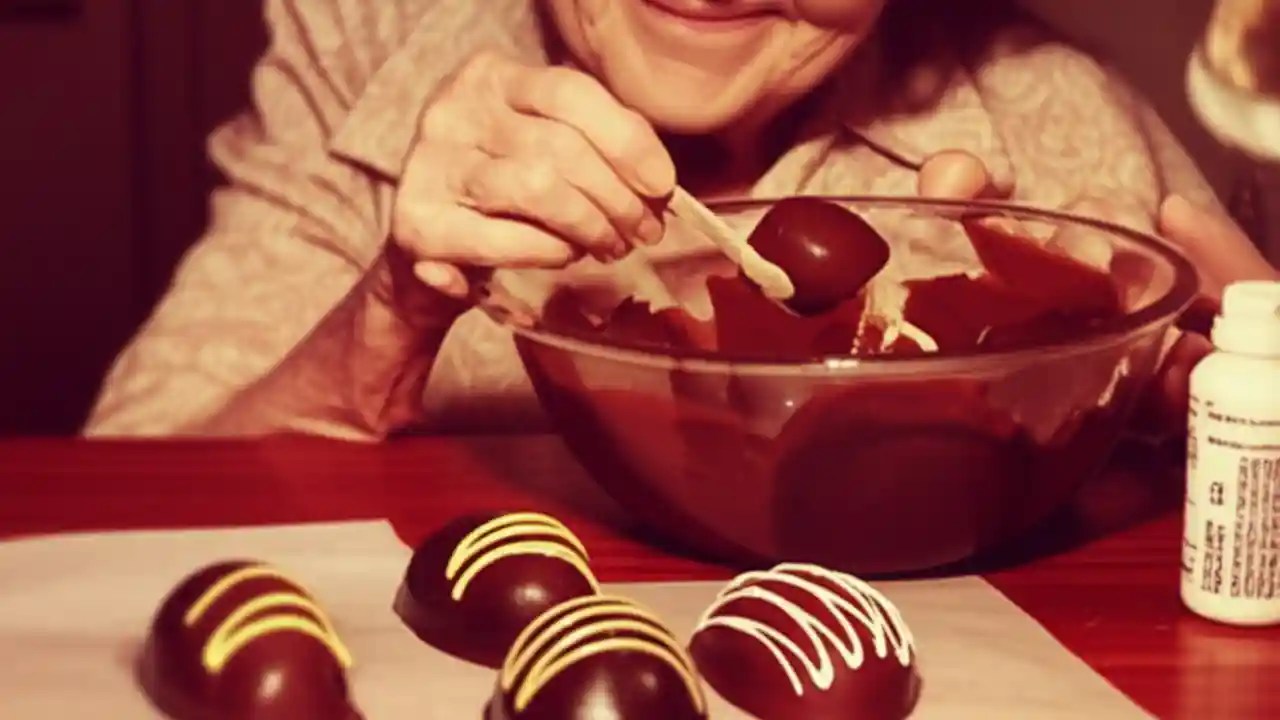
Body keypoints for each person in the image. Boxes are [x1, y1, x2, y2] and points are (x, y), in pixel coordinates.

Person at [85, 0, 1277, 440]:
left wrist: (1222, 415)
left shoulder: (1049, 115)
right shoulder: (363, 43)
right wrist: (389, 314)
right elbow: (113, 519)